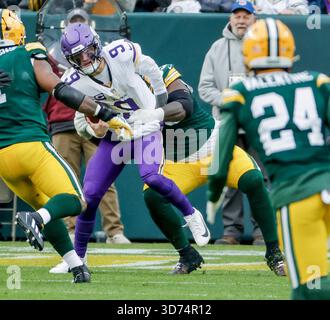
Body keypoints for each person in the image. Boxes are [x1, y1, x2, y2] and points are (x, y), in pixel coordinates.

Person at [76, 63, 285, 276]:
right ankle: (186, 254)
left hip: (214, 147)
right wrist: (97, 131)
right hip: (176, 161)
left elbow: (183, 107)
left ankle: (274, 252)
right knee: (153, 197)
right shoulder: (116, 95)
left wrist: (154, 114)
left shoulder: (160, 74)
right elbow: (108, 133)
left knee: (253, 181)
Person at [59, 23, 210, 262]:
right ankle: (78, 259)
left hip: (146, 123)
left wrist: (157, 106)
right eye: (78, 56)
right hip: (118, 133)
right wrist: (93, 129)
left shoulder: (120, 53)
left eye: (88, 51)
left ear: (97, 44)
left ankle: (191, 214)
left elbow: (151, 69)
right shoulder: (73, 81)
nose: (85, 59)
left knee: (151, 177)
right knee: (89, 195)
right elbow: (81, 121)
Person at [0, 9, 131, 283]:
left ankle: (76, 266)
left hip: (4, 161)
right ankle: (35, 218)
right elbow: (58, 89)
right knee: (75, 201)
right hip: (30, 145)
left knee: (49, 210)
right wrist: (105, 113)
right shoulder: (29, 51)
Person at [208, 18, 330, 299]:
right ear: (290, 54)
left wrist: (214, 194)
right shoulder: (318, 81)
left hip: (296, 195)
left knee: (308, 287)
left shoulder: (240, 94)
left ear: (248, 55)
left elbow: (220, 161)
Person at [198, 0, 264, 245]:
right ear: (230, 19)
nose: (241, 20)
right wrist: (230, 101)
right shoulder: (217, 48)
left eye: (246, 16)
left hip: (258, 123)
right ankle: (231, 231)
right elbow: (204, 87)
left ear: (254, 19)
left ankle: (261, 231)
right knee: (229, 177)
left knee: (260, 178)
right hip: (227, 123)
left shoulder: (264, 45)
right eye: (237, 15)